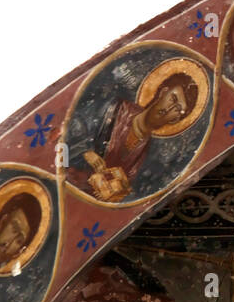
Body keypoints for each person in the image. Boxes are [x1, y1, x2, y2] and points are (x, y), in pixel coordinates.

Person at [68, 66, 204, 201]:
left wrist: (119, 193)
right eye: (172, 99)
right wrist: (85, 151)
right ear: (163, 92)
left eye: (178, 109)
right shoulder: (111, 107)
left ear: (175, 119)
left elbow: (130, 196)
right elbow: (68, 128)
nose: (169, 108)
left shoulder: (147, 155)